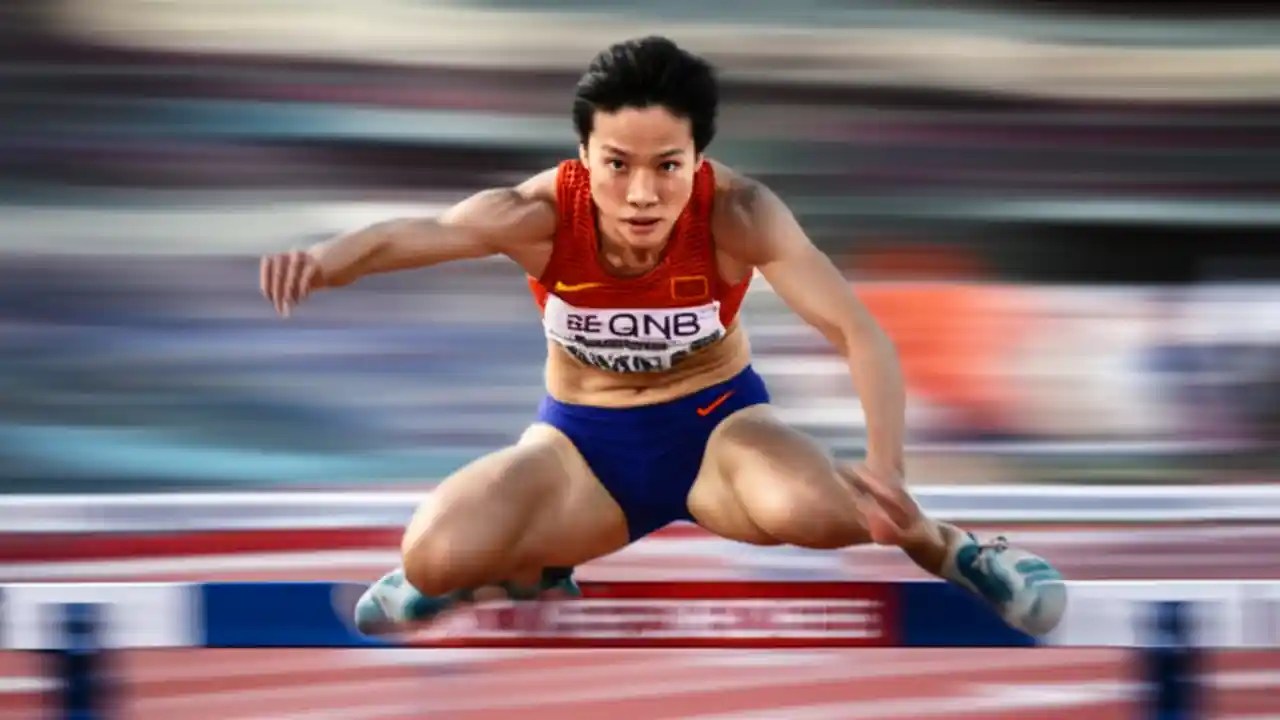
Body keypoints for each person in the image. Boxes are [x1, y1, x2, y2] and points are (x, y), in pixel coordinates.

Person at [259, 36, 1066, 638]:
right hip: (579, 452)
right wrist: (328, 262)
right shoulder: (537, 216)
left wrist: (887, 470)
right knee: (432, 557)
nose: (642, 195)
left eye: (668, 167)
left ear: (697, 158)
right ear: (583, 154)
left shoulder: (740, 214)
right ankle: (519, 567)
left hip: (721, 435)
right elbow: (417, 233)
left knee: (832, 513)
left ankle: (961, 553)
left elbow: (859, 334)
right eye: (616, 165)